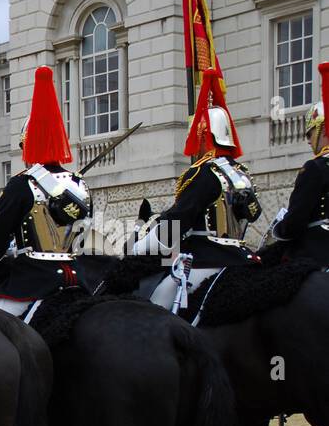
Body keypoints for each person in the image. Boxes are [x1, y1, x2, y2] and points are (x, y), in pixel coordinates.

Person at [134, 67, 261, 311]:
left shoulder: (203, 173)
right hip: (241, 258)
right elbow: (253, 214)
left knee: (155, 306)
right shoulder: (241, 173)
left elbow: (180, 219)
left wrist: (142, 246)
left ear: (204, 136)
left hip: (206, 261)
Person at [0, 65, 90, 320]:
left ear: (26, 146)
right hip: (76, 278)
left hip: (33, 281)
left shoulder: (21, 184)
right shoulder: (79, 185)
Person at [268, 60, 329, 264]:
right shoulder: (238, 174)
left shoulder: (315, 167)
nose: (308, 140)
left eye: (310, 133)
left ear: (321, 130)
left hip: (318, 252)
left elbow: (294, 223)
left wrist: (280, 228)